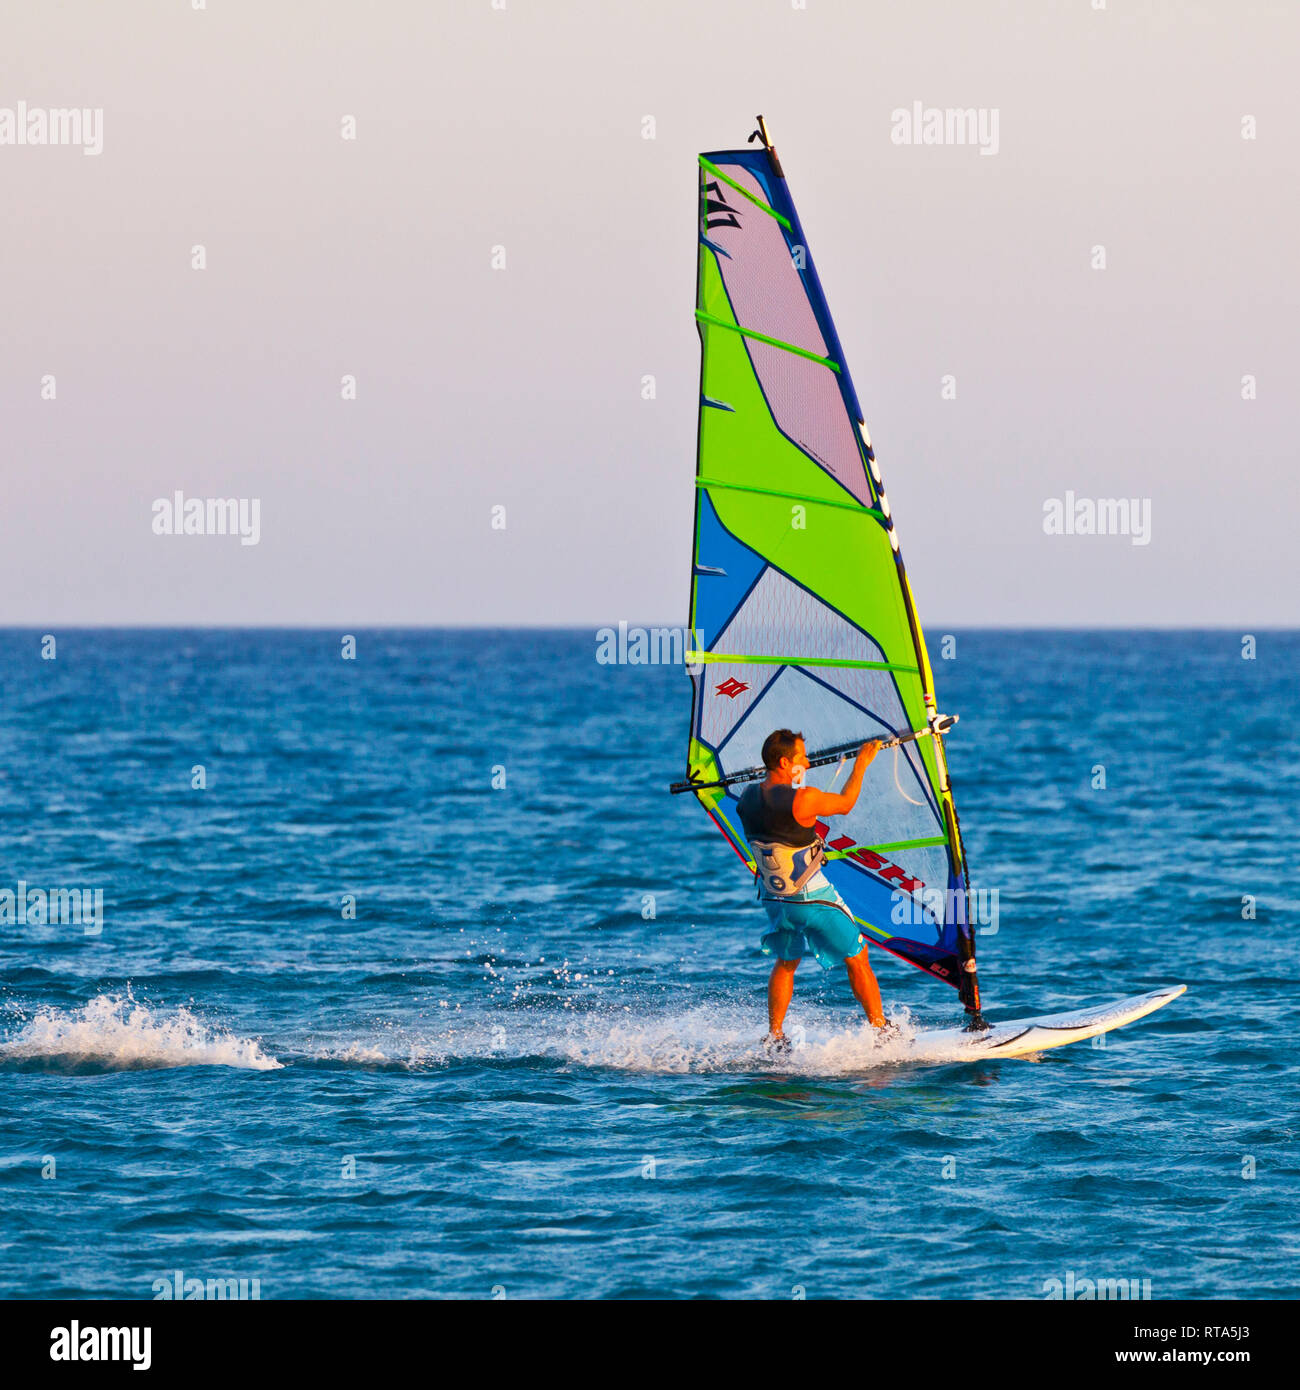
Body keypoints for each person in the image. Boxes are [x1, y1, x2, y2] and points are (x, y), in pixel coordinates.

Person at [736, 728, 889, 1049]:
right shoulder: (804, 799)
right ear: (784, 761)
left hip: (775, 900)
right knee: (858, 957)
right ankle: (882, 1032)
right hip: (813, 899)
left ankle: (775, 1035)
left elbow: (768, 810)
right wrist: (862, 763)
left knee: (787, 962)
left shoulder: (747, 798)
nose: (806, 762)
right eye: (801, 757)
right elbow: (846, 804)